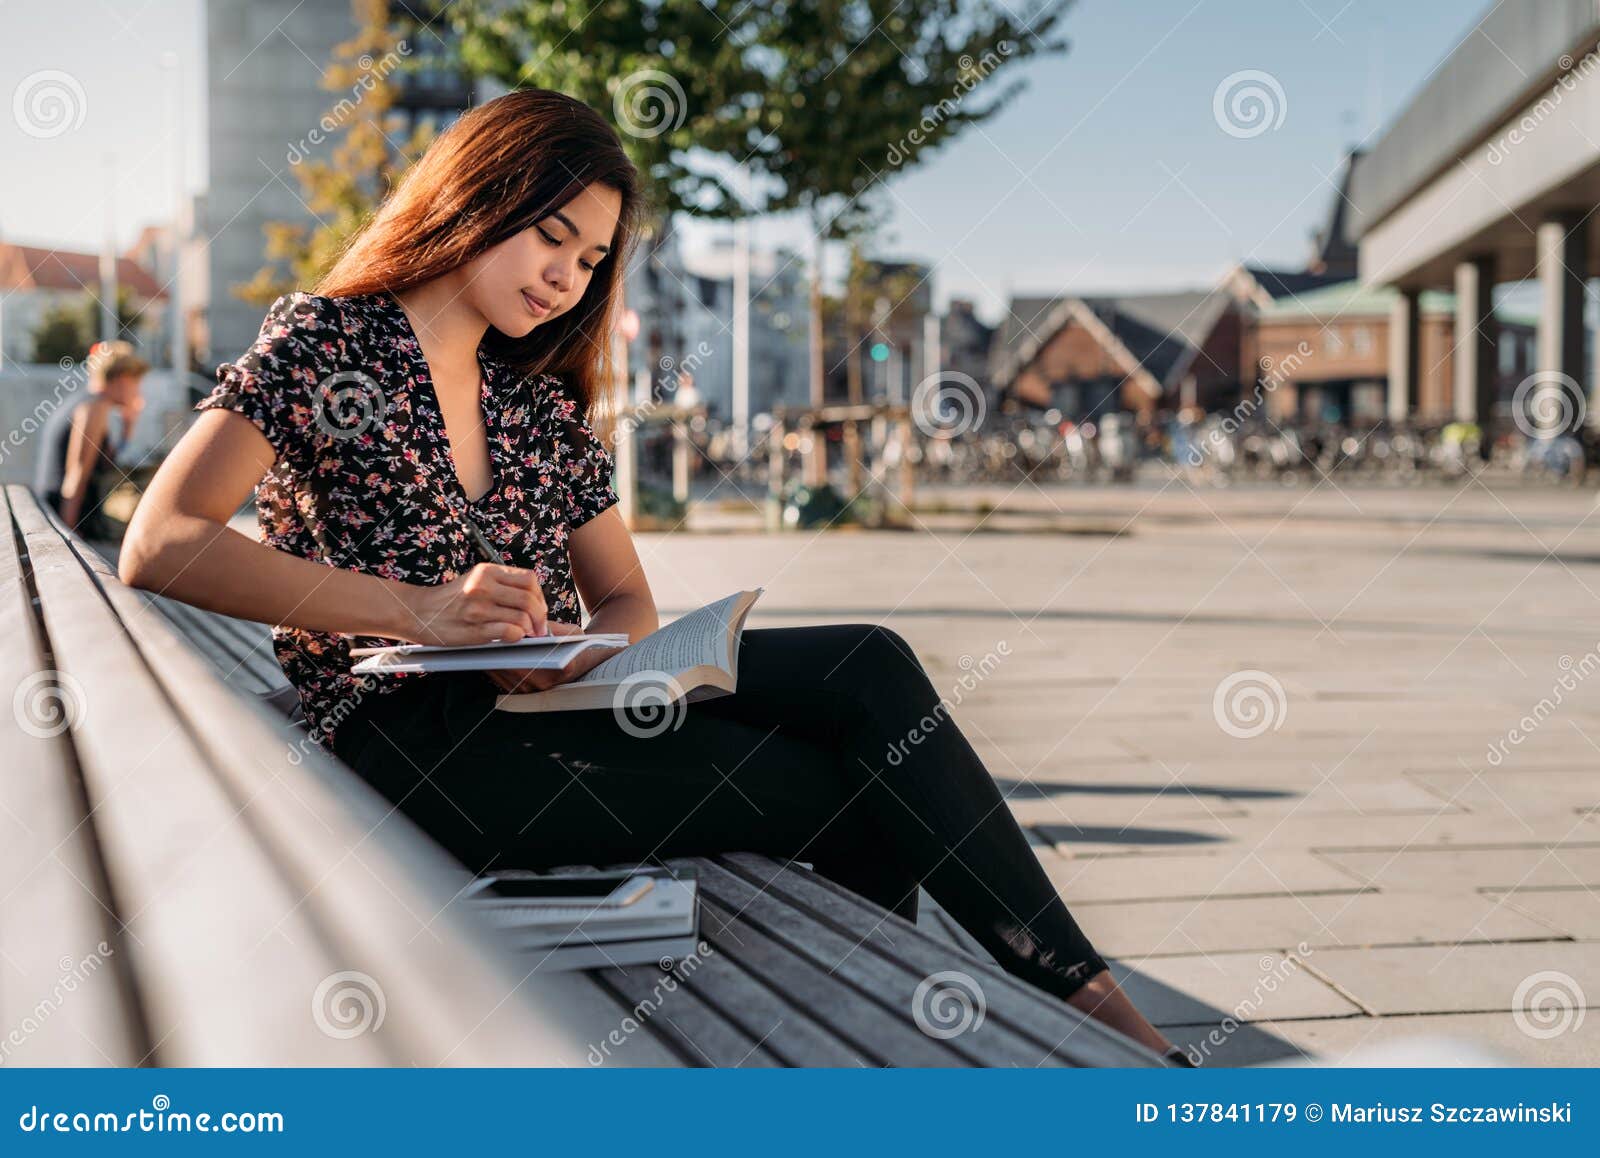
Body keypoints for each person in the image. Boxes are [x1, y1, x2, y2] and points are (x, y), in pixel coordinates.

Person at [119, 88, 1192, 1066]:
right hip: (409, 745)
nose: (565, 277)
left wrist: (587, 651)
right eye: (551, 237)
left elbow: (625, 598)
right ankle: (1075, 1062)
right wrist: (427, 616)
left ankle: (1107, 1033)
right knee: (870, 802)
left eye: (589, 261)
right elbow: (162, 541)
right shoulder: (328, 344)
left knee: (868, 667)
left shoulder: (529, 405)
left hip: (540, 713)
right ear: (472, 198)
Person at [35, 339, 147, 540]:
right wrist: (69, 536)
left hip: (67, 515)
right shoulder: (94, 408)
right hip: (64, 518)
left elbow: (104, 463)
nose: (138, 391)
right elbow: (77, 474)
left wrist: (128, 427)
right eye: (136, 383)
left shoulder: (90, 402)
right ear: (122, 379)